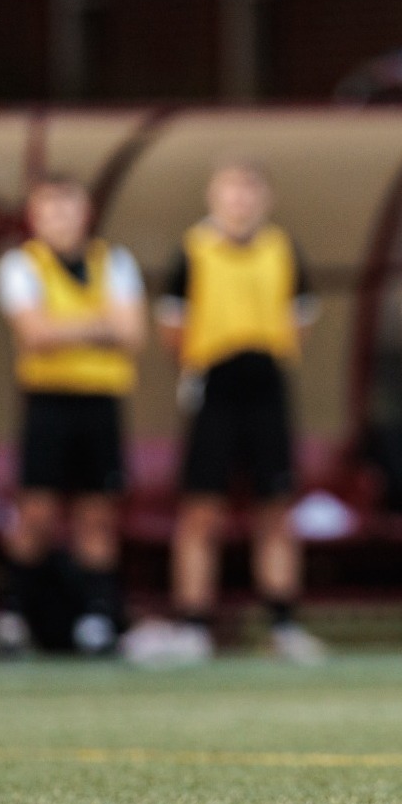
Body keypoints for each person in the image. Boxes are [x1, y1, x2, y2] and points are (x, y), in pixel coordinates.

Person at [138, 162, 327, 666]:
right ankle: (194, 624)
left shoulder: (283, 249)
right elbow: (172, 327)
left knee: (276, 506)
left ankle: (282, 624)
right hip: (215, 386)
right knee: (202, 509)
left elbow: (302, 318)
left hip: (267, 385)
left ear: (265, 198)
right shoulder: (192, 250)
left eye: (249, 191)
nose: (240, 201)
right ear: (213, 198)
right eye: (230, 191)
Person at [0, 175, 145, 657]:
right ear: (34, 218)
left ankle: (98, 617)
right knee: (36, 513)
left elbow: (132, 332)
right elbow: (35, 334)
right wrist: (100, 324)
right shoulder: (21, 265)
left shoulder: (113, 261)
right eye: (49, 210)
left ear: (86, 213)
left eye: (68, 207)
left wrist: (65, 328)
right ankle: (14, 614)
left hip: (100, 401)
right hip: (48, 402)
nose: (59, 219)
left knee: (96, 515)